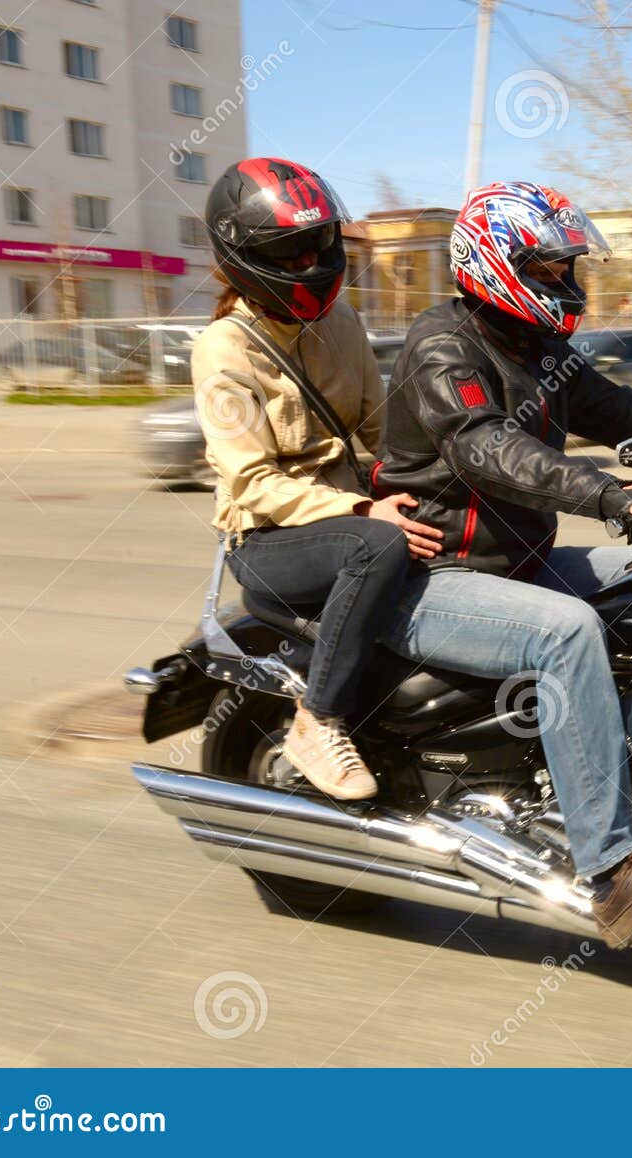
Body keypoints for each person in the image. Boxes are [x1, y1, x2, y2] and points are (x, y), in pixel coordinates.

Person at [378, 181, 632, 948]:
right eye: (549, 268)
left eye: (566, 267)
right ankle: (613, 875)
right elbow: (488, 449)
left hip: (514, 564)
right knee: (567, 634)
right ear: (495, 264)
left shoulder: (540, 351)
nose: (566, 281)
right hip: (431, 579)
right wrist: (610, 496)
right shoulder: (442, 347)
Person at [192, 156, 444, 801]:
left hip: (350, 517)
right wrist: (365, 513)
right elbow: (250, 484)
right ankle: (318, 719)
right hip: (274, 541)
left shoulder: (342, 321)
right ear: (245, 258)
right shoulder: (224, 348)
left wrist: (443, 475)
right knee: (380, 543)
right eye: (290, 252)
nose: (310, 264)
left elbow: (380, 432)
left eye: (317, 245)